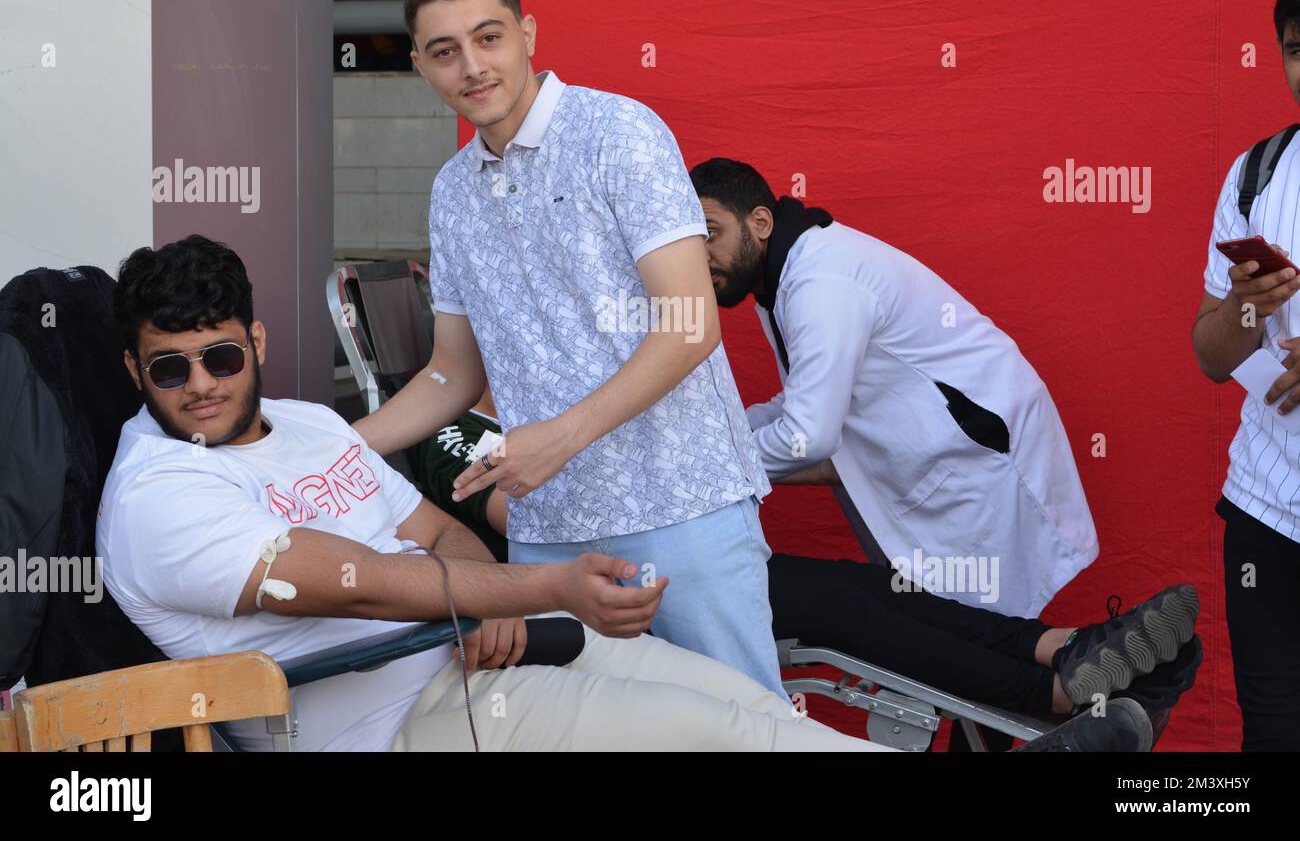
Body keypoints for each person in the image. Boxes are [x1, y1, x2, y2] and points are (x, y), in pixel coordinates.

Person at [97, 236, 1151, 752]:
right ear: (135, 374)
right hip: (404, 713)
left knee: (750, 701)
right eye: (169, 369)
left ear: (259, 343)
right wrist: (528, 587)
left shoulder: (315, 421)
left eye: (219, 357)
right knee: (731, 739)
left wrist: (493, 601)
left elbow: (432, 532)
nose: (200, 387)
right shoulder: (159, 497)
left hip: (486, 646)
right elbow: (367, 586)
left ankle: (1035, 674)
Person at [351, 0, 785, 695]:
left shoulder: (619, 132)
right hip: (548, 531)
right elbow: (454, 372)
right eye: (446, 51)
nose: (472, 67)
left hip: (681, 503)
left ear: (527, 35)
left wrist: (559, 437)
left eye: (488, 38)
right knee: (586, 736)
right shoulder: (452, 191)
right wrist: (328, 447)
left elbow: (690, 326)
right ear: (421, 65)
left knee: (747, 733)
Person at [406, 390, 1203, 746]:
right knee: (846, 617)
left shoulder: (516, 399)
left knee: (864, 587)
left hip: (675, 551)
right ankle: (1052, 692)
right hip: (630, 581)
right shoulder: (438, 436)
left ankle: (1061, 646)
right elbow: (526, 516)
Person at [687, 158, 1099, 620]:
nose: (698, 255)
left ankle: (1084, 672)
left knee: (984, 642)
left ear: (759, 222)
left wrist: (704, 465)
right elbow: (805, 401)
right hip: (945, 455)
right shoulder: (786, 276)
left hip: (977, 451)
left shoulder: (819, 279)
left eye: (710, 232)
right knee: (967, 640)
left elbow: (812, 435)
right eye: (687, 240)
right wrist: (714, 436)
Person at [1192, 0, 1300, 751]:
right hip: (1269, 508)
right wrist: (1243, 305)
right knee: (1274, 731)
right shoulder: (1257, 173)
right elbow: (1210, 353)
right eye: (1296, 47)